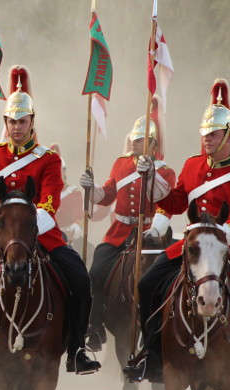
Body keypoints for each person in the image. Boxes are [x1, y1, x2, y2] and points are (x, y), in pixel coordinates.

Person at [123, 80, 230, 390]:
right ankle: (151, 355)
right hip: (193, 245)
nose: (207, 140)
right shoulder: (193, 166)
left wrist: (218, 237)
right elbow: (175, 202)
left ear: (229, 136)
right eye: (204, 134)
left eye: (214, 134)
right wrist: (150, 177)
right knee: (147, 284)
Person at [0, 65, 100, 381]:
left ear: (32, 122)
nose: (17, 127)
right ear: (5, 123)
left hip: (41, 235)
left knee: (81, 280)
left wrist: (26, 231)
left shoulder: (48, 159)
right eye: (12, 122)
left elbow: (48, 203)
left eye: (22, 121)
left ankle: (75, 349)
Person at [78, 99, 176, 351]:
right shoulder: (121, 164)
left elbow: (162, 196)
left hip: (151, 234)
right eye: (133, 138)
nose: (134, 142)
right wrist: (92, 189)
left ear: (153, 144)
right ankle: (95, 327)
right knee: (97, 269)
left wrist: (150, 172)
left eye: (140, 139)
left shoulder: (166, 171)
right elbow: (108, 193)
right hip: (119, 233)